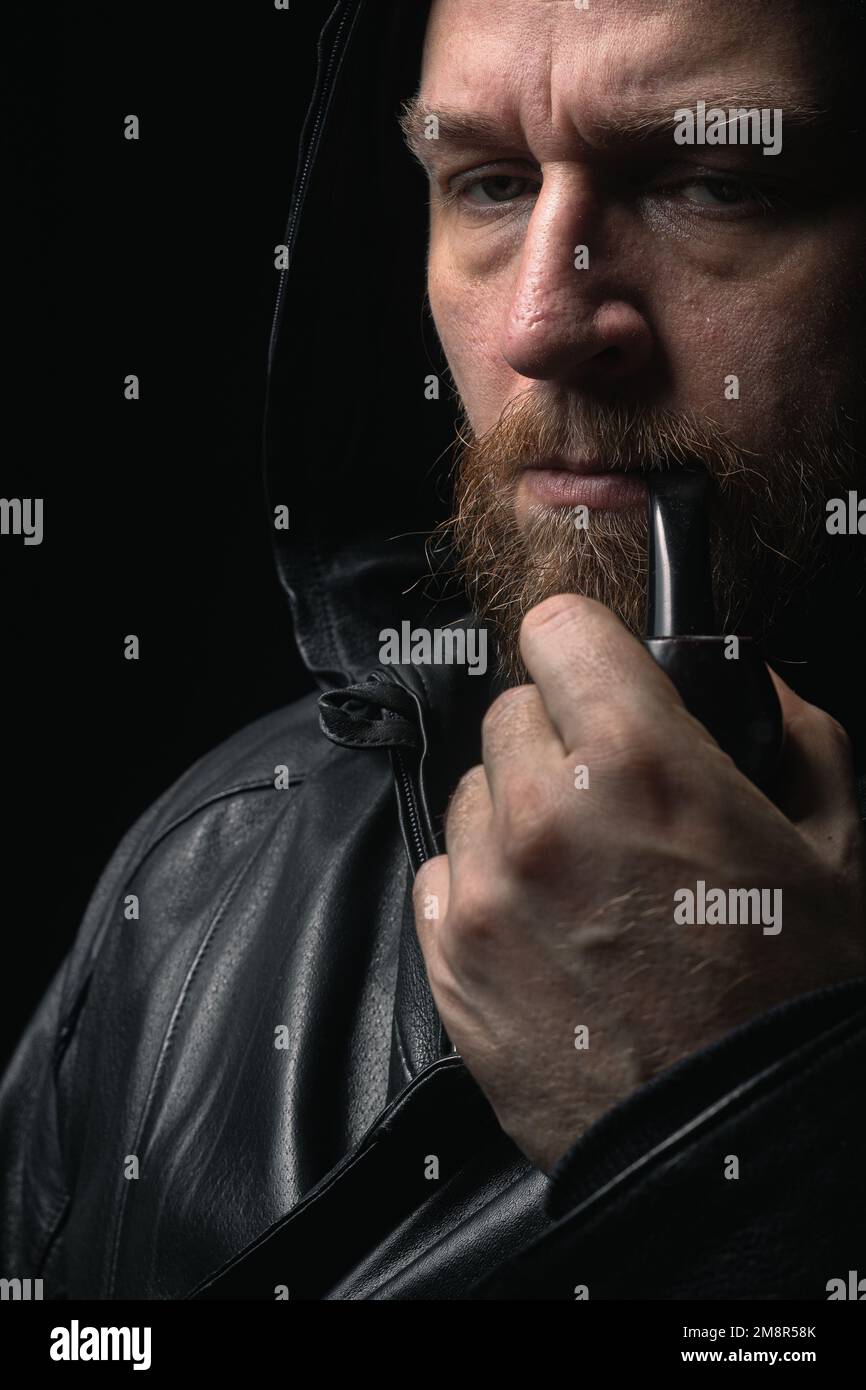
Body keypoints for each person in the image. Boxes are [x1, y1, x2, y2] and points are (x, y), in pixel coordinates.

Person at [2, 0, 864, 1300]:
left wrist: (767, 1134)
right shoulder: (202, 885)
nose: (539, 325)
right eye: (490, 182)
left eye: (711, 183)